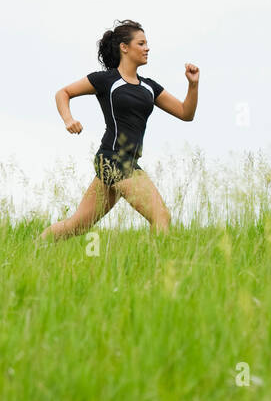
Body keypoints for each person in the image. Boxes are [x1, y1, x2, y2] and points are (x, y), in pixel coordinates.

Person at [40, 19, 199, 240]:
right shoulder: (107, 80)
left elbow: (185, 113)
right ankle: (158, 271)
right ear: (124, 47)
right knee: (161, 216)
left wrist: (192, 85)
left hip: (125, 161)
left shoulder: (149, 87)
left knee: (77, 225)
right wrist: (68, 119)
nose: (147, 48)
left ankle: (36, 249)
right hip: (114, 158)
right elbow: (63, 93)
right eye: (141, 43)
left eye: (147, 44)